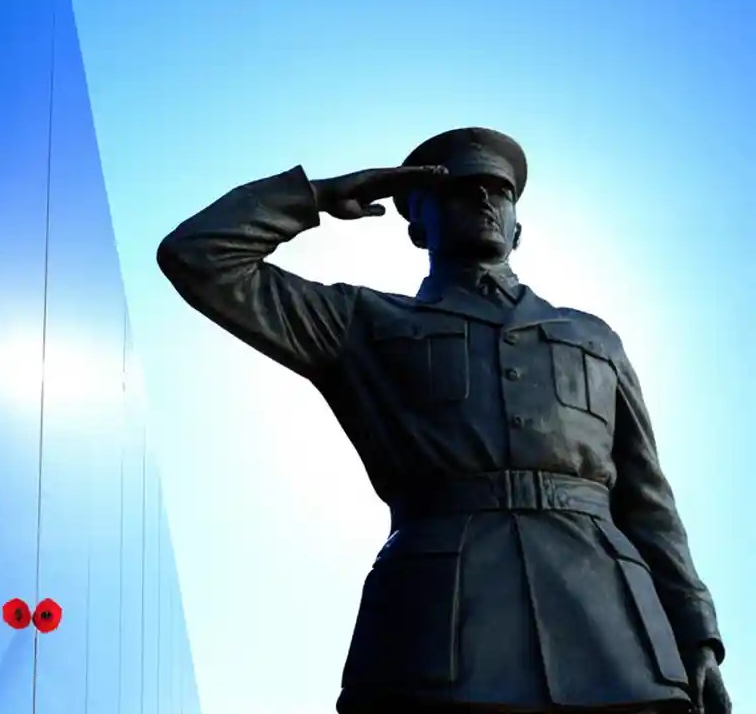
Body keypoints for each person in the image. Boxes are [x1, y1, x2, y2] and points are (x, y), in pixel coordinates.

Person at [157, 128, 729, 713]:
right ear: (416, 226)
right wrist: (320, 196)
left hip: (616, 640)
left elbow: (648, 499)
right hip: (439, 635)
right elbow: (197, 256)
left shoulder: (593, 337)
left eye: (498, 193)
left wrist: (695, 632)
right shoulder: (365, 323)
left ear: (517, 228)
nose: (482, 200)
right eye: (458, 190)